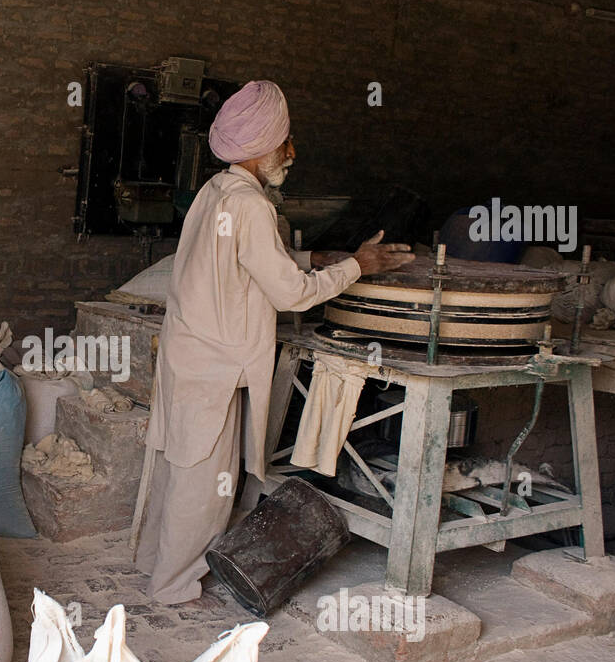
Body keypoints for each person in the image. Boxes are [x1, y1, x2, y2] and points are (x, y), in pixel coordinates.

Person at [133, 80, 414, 605]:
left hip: (190, 355)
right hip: (216, 366)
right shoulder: (253, 207)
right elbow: (292, 294)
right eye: (285, 142)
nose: (292, 152)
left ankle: (157, 564)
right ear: (260, 146)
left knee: (182, 467)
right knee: (205, 483)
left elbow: (243, 263)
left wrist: (317, 259)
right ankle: (173, 586)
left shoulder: (216, 192)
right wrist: (359, 265)